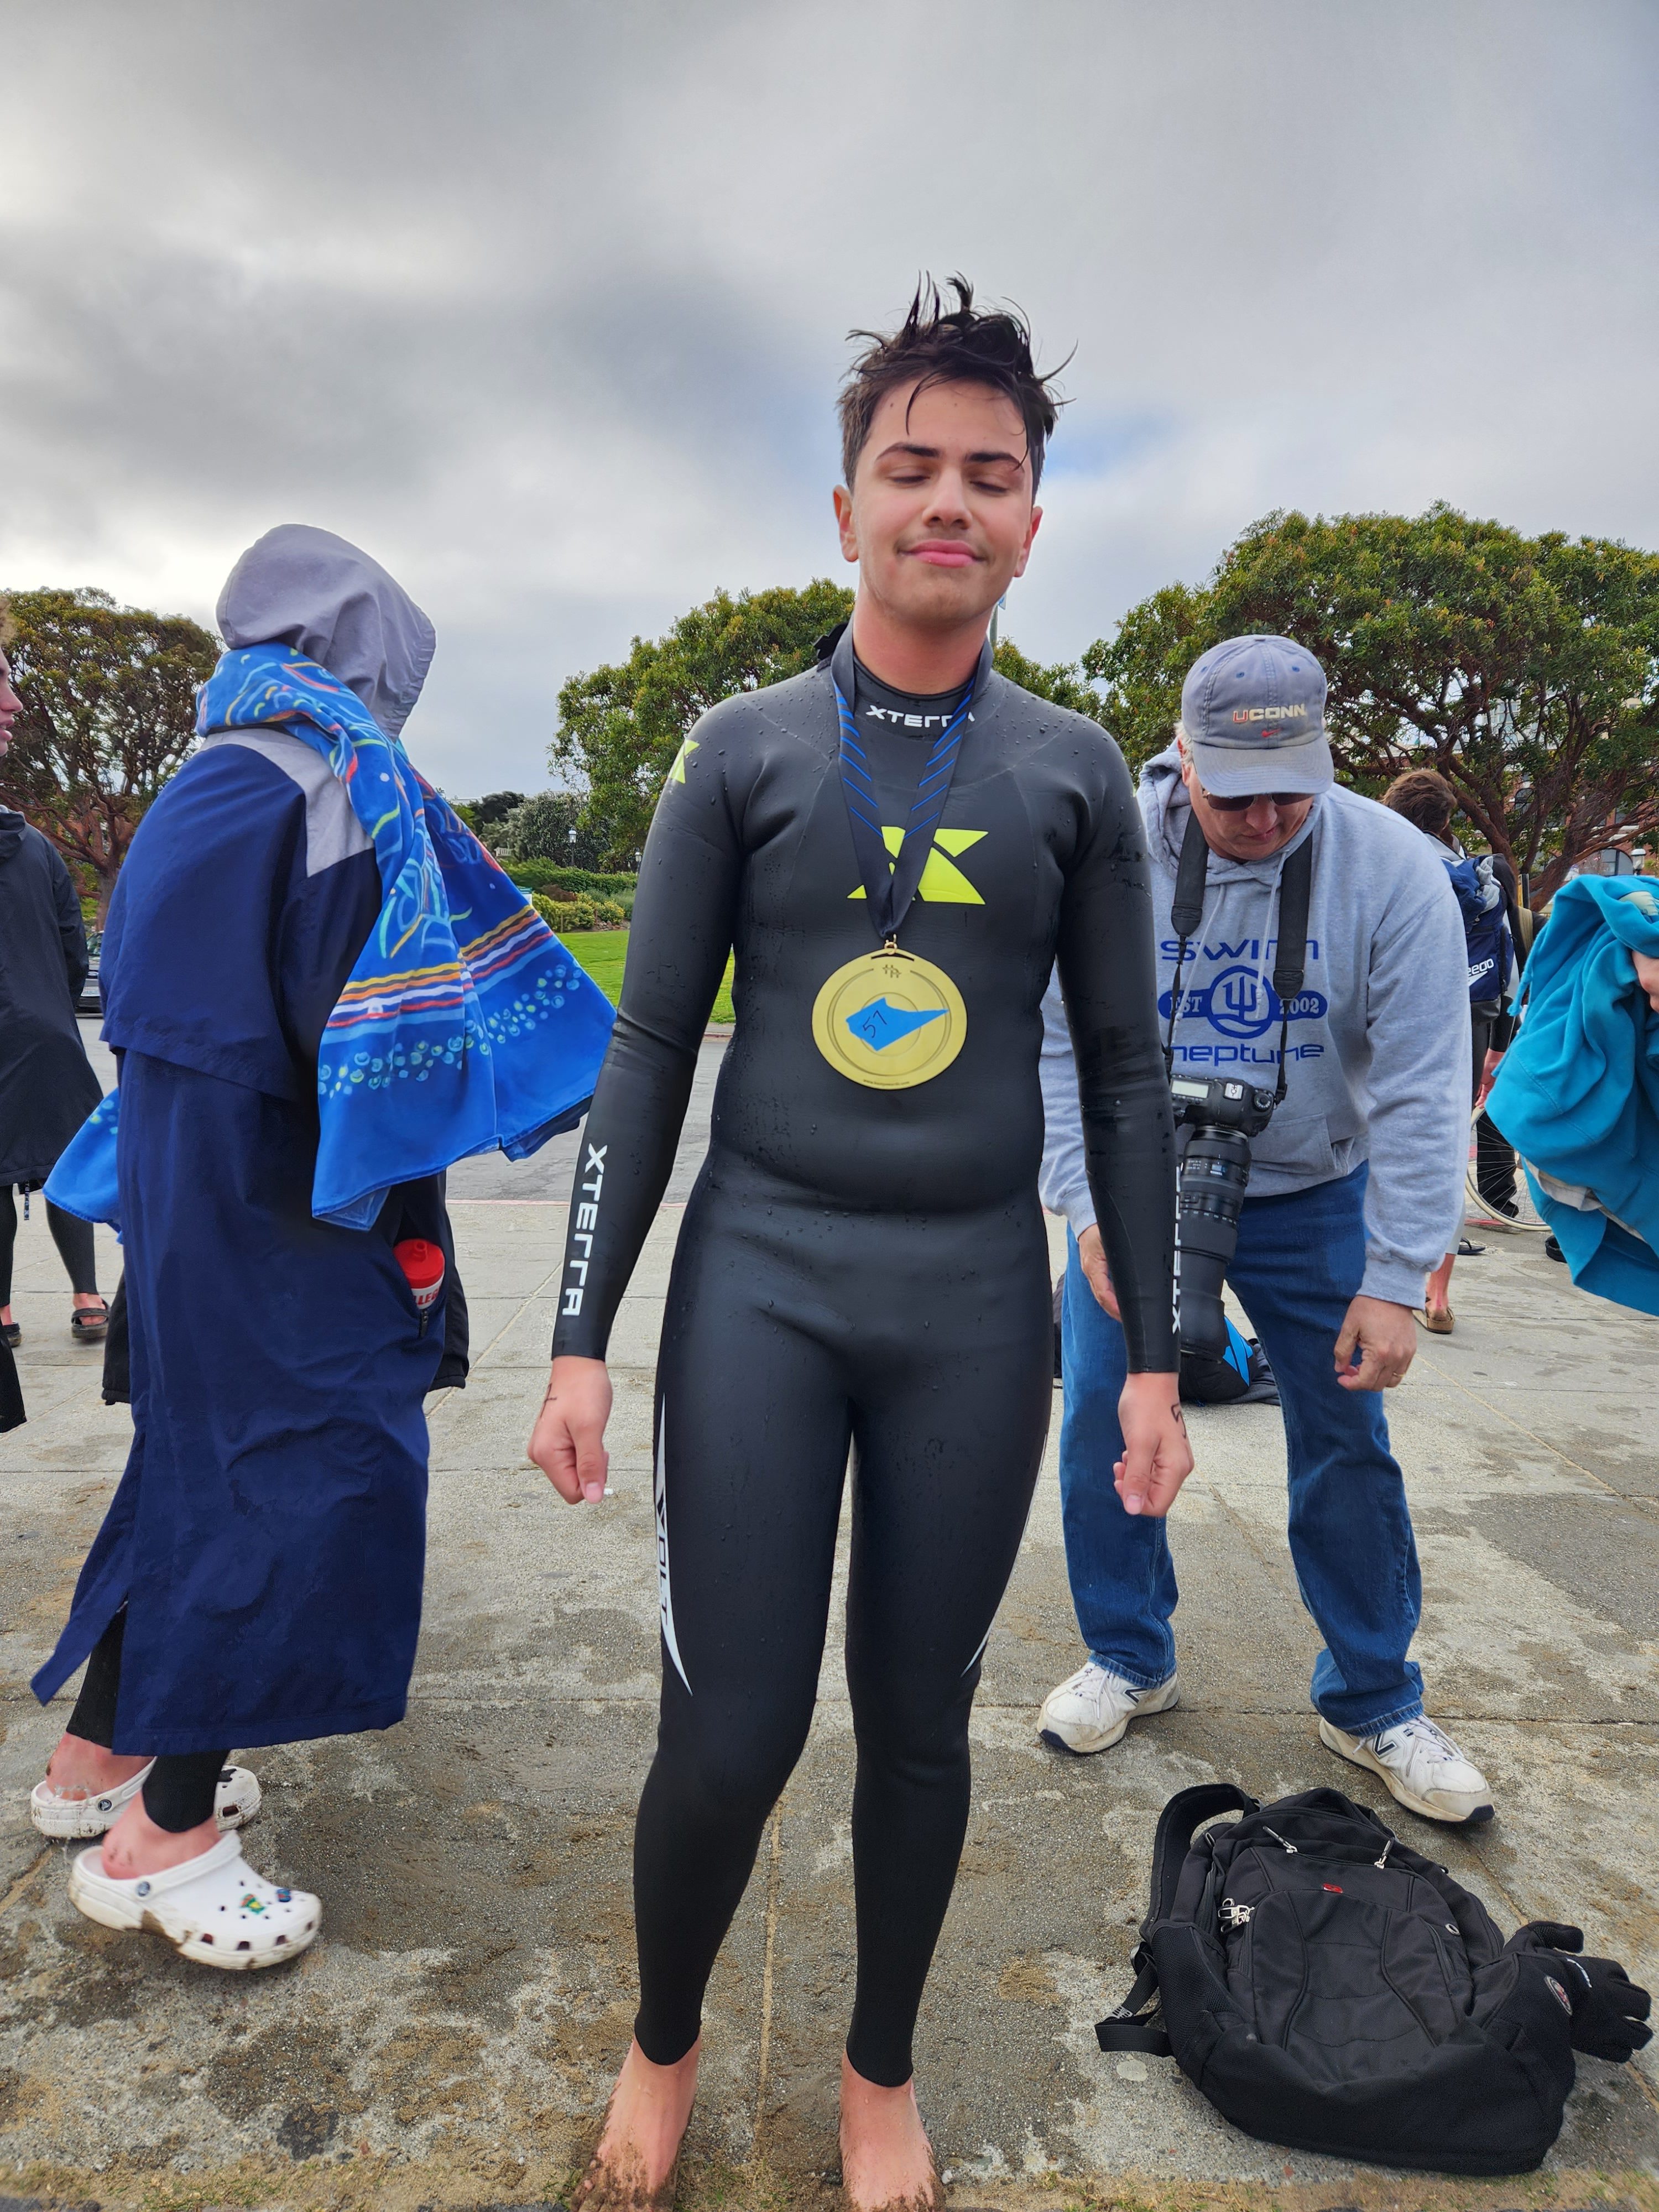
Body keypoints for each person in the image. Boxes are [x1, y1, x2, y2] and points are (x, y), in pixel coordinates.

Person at [526, 280, 1190, 2212]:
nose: (949, 503)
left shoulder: (1071, 772)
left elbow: (1133, 1078)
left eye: (992, 475)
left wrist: (1153, 1353)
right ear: (845, 510)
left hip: (974, 1299)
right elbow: (650, 1048)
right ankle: (667, 2042)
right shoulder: (738, 750)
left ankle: (875, 2070)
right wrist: (582, 1335)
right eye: (912, 468)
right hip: (765, 1280)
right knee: (731, 1732)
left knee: (917, 1723)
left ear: (1034, 522)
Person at [30, 525, 612, 1968]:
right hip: (284, 1195)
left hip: (178, 1179)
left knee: (193, 1462)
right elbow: (376, 1031)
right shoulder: (345, 779)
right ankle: (162, 1842)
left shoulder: (202, 776)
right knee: (294, 1477)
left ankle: (96, 1758)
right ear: (376, 655)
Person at [1039, 635, 1494, 1829]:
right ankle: (1132, 1655)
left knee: (1345, 1430)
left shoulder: (1395, 868)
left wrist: (1399, 1273)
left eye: (1293, 783)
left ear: (1329, 753)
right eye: (1234, 791)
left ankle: (1373, 1693)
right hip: (1134, 1183)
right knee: (1101, 1419)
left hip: (1315, 1185)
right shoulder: (1108, 851)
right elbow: (1050, 1037)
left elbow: (1424, 1081)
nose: (1267, 814)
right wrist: (1088, 1203)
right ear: (1179, 756)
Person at [0, 642, 108, 1349]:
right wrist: (50, 1005)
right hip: (45, 1034)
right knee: (68, 1166)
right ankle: (88, 1294)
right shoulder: (36, 847)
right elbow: (75, 949)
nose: (15, 705)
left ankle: (2, 1312)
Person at [1380, 768, 1514, 1332]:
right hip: (1468, 1023)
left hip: (1390, 1021)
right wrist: (1498, 1047)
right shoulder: (1483, 876)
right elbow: (1510, 966)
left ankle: (1382, 1283)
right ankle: (1437, 1296)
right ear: (1446, 820)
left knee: (1375, 1148)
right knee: (1443, 1148)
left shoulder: (1385, 861)